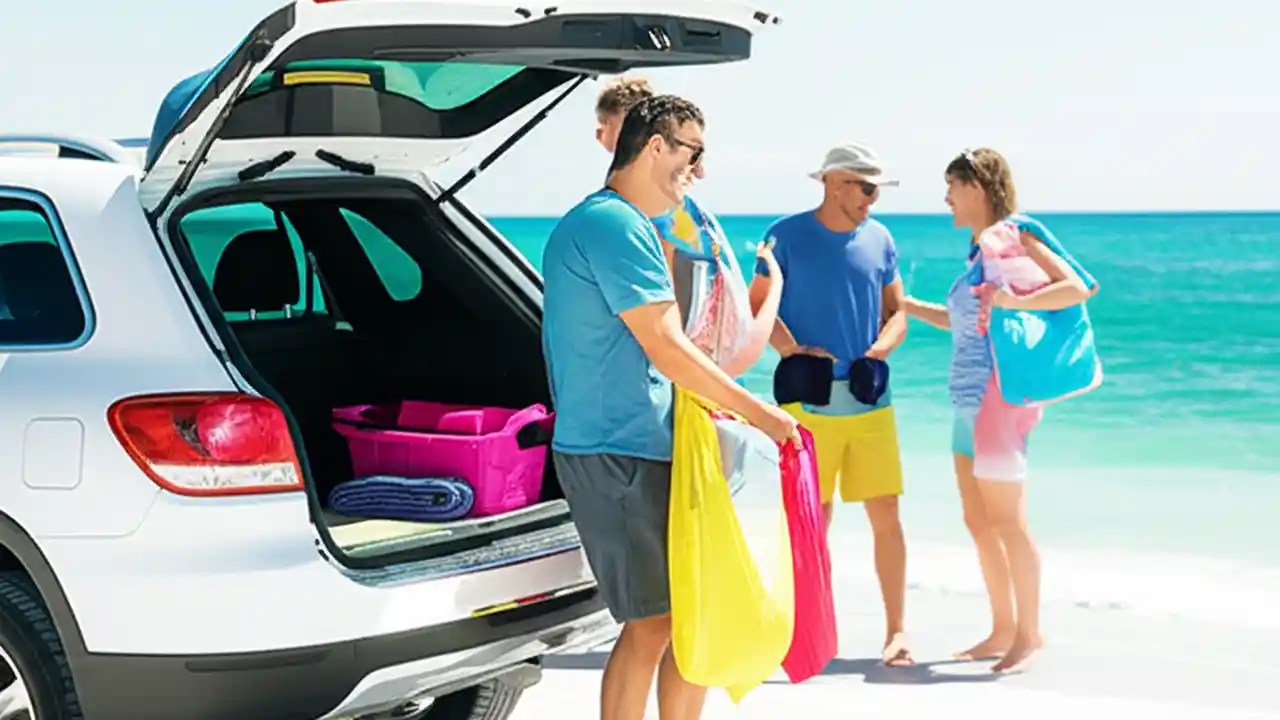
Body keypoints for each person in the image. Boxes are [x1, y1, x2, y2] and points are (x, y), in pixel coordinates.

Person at [542, 94, 800, 720]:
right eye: (694, 153)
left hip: (649, 443)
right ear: (656, 146)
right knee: (653, 623)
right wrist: (762, 414)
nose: (700, 170)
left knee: (690, 618)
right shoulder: (612, 224)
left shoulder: (634, 226)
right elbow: (666, 345)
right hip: (611, 450)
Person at [902, 148, 1097, 673]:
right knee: (978, 519)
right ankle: (1002, 628)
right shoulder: (979, 251)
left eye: (953, 186)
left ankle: (1030, 634)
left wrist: (1016, 302)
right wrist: (903, 306)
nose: (946, 198)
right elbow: (962, 323)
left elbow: (1078, 286)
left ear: (979, 186)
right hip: (966, 397)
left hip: (999, 396)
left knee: (1008, 521)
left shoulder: (1013, 233)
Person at [748, 142, 912, 668]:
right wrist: (792, 350)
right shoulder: (785, 236)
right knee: (811, 520)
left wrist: (879, 351)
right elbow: (757, 308)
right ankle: (803, 631)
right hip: (809, 407)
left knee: (885, 513)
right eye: (866, 189)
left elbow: (898, 312)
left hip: (870, 404)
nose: (872, 200)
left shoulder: (881, 239)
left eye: (876, 191)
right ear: (835, 182)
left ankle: (898, 632)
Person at [593, 76, 782, 376]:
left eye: (608, 126)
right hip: (713, 364)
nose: (599, 135)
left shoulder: (650, 209)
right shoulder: (688, 210)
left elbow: (663, 309)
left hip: (686, 376)